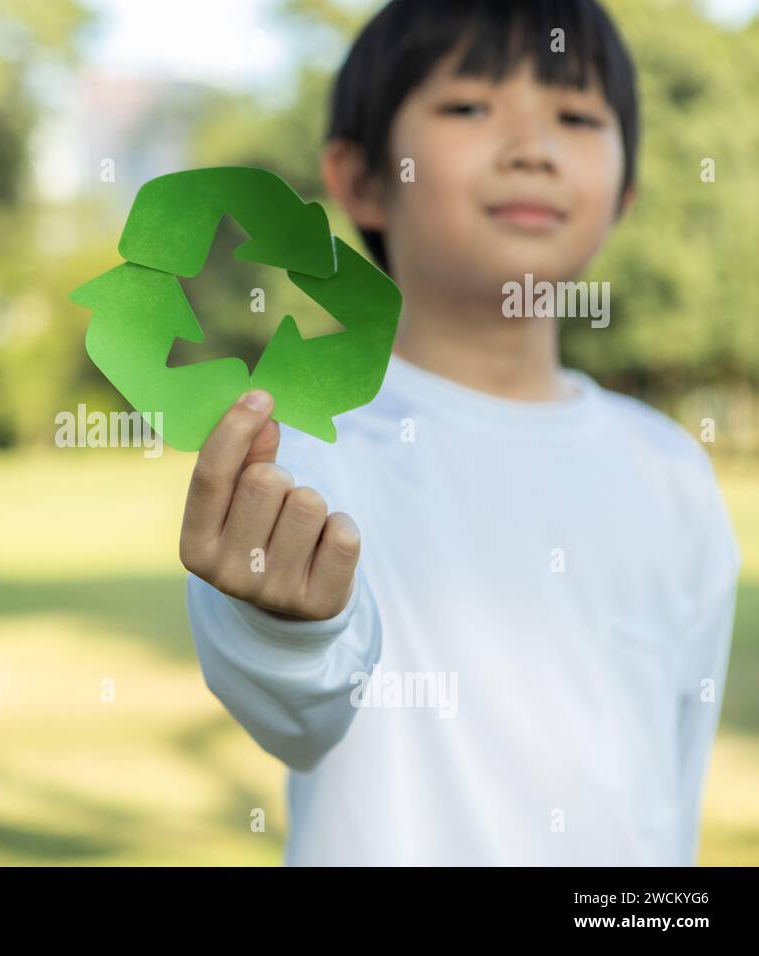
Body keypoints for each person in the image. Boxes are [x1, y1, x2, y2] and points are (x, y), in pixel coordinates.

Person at [182, 0, 742, 865]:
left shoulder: (670, 471)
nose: (531, 147)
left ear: (625, 189)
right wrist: (286, 630)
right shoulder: (299, 453)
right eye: (470, 108)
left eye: (578, 116)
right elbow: (299, 707)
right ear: (362, 178)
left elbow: (674, 779)